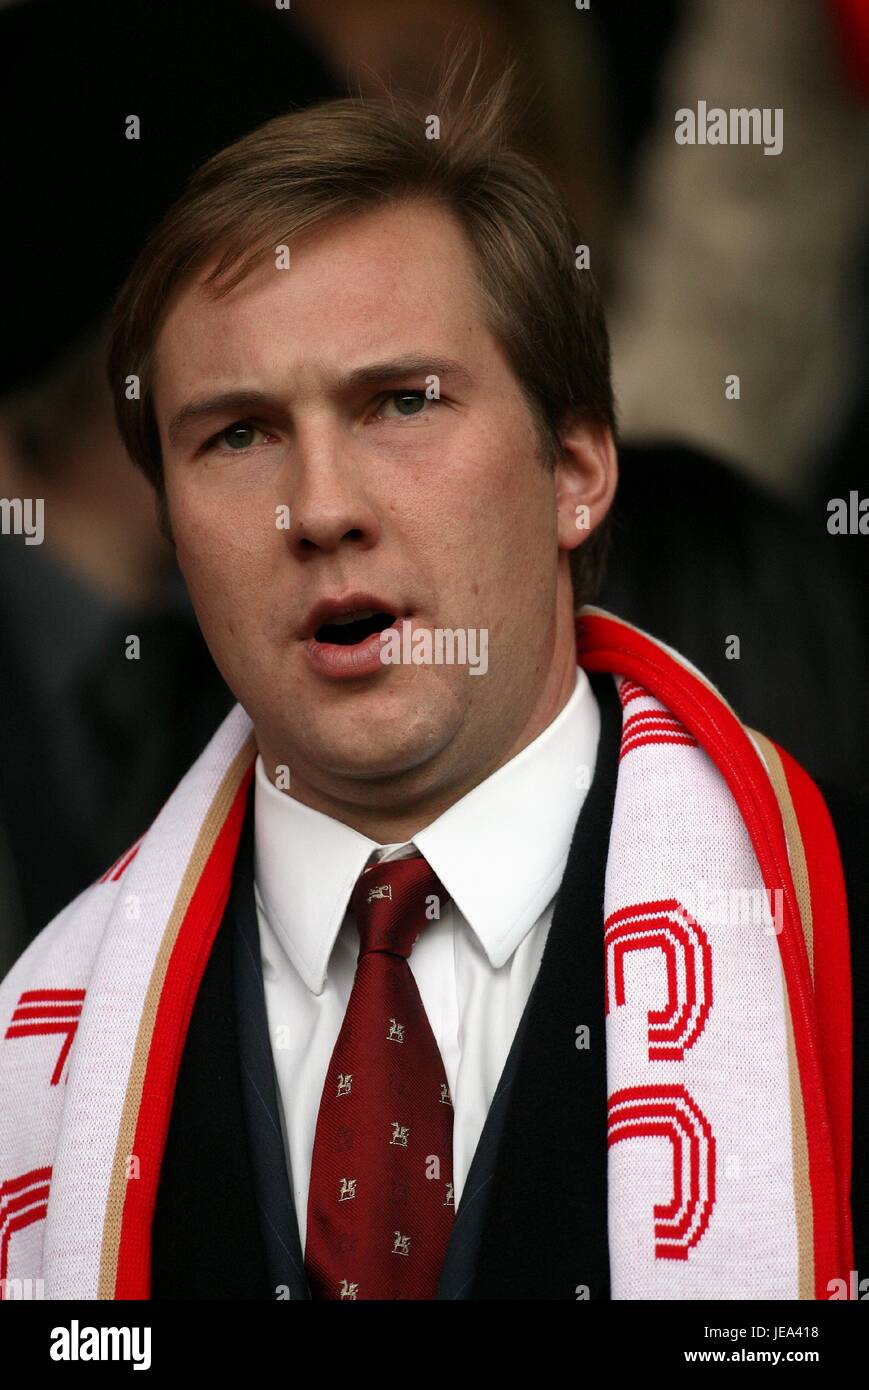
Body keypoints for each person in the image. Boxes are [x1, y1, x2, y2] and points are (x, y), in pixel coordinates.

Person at [0, 51, 863, 1303]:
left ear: (575, 467)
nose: (320, 507)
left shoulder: (829, 942)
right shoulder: (40, 1055)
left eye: (400, 402)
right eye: (236, 435)